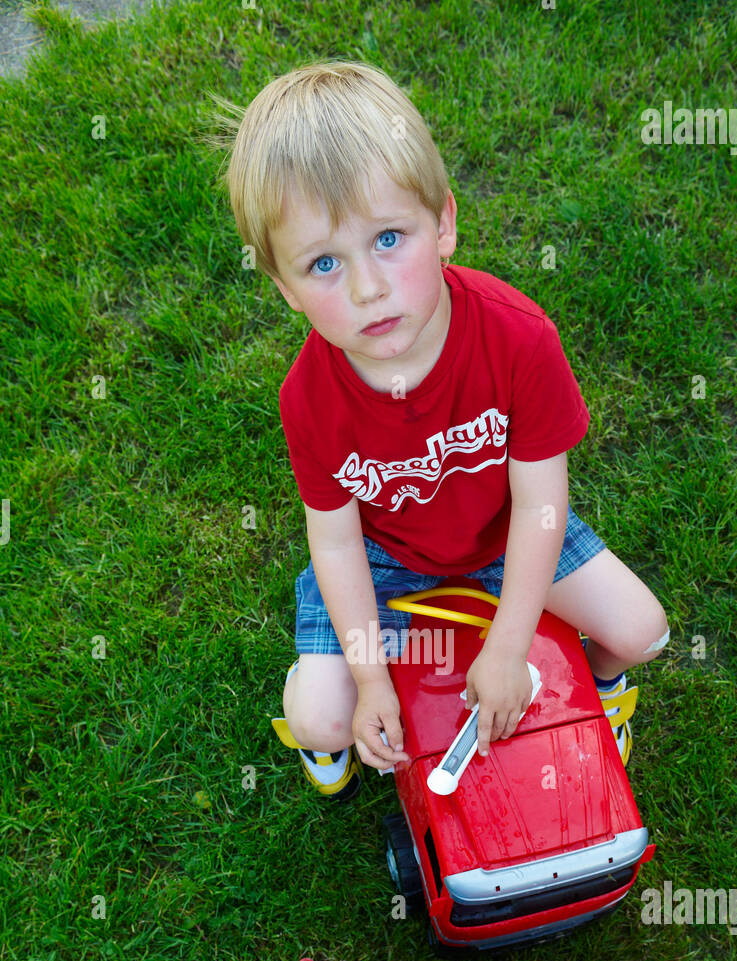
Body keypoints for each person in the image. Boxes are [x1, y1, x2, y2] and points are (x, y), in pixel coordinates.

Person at [217, 60, 669, 800]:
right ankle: (327, 682)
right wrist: (370, 682)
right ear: (285, 289)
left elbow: (540, 506)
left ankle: (602, 686)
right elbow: (334, 540)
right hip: (386, 557)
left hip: (502, 531)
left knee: (642, 630)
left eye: (389, 239)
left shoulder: (519, 340)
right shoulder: (308, 398)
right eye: (323, 262)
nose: (367, 287)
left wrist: (509, 646)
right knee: (321, 722)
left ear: (445, 223)